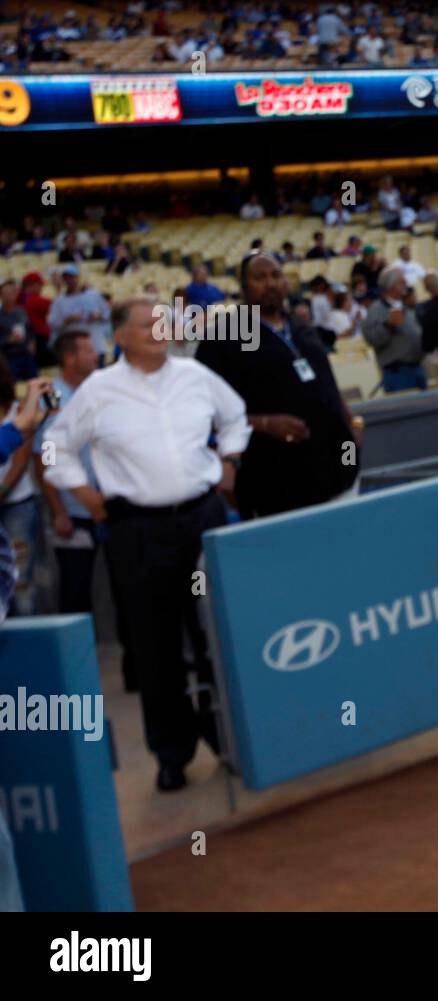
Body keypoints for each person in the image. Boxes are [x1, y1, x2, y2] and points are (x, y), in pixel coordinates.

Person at [42, 297, 251, 793]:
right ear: (119, 336)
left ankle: (231, 739)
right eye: (146, 323)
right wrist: (85, 495)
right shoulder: (97, 391)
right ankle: (171, 753)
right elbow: (54, 449)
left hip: (203, 520)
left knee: (217, 634)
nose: (159, 329)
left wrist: (230, 462)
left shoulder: (194, 375)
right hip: (138, 532)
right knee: (155, 646)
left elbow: (236, 416)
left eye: (164, 321)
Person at [196, 252, 361, 518]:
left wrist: (352, 424)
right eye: (259, 277)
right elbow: (205, 414)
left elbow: (327, 382)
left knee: (352, 548)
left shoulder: (301, 326)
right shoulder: (222, 339)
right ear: (244, 288)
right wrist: (265, 423)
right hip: (276, 486)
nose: (270, 283)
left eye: (276, 275)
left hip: (340, 472)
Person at [33, 331, 103, 616]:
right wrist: (58, 510)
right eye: (88, 351)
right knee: (75, 590)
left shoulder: (103, 389)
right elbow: (44, 456)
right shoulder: (51, 398)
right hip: (74, 511)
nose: (97, 354)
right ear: (70, 359)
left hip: (112, 505)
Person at [0, 359, 41, 616]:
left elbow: (22, 457)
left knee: (22, 584)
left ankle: (27, 652)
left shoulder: (17, 410)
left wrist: (2, 493)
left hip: (16, 504)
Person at [362, 266, 426, 392]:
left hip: (417, 368)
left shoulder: (406, 307)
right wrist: (388, 325)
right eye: (402, 281)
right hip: (398, 373)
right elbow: (370, 337)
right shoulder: (377, 309)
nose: (406, 284)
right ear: (392, 285)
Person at [46, 265, 111, 356]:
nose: (70, 280)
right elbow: (52, 323)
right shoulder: (59, 301)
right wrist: (67, 320)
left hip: (96, 346)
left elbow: (107, 314)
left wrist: (98, 316)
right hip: (74, 350)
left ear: (78, 277)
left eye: (72, 277)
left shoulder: (93, 295)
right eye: (67, 277)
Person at [0, 280, 37, 381]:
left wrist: (32, 342)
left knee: (34, 383)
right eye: (6, 294)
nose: (10, 296)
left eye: (12, 293)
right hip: (10, 358)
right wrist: (8, 340)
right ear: (1, 296)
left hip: (27, 356)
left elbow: (30, 330)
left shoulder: (21, 312)